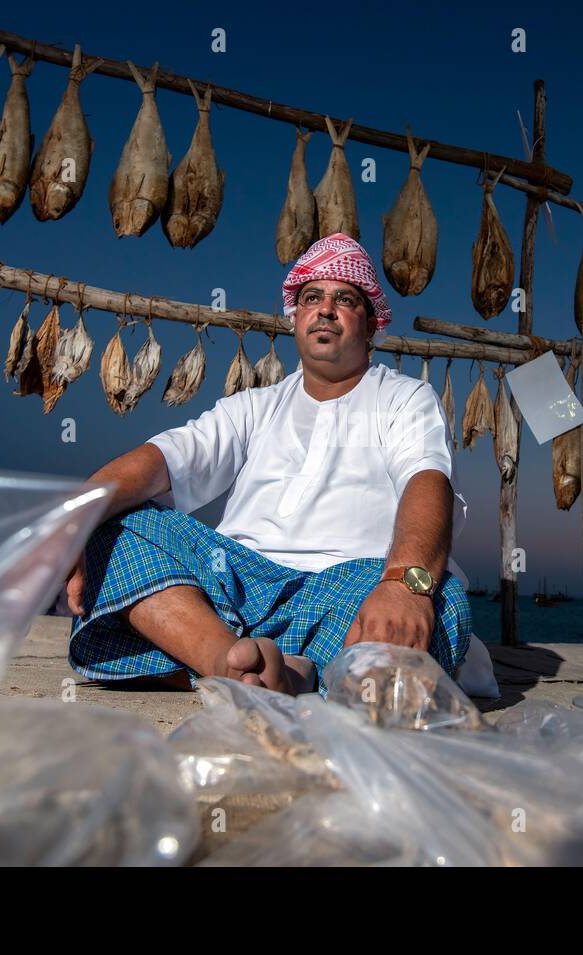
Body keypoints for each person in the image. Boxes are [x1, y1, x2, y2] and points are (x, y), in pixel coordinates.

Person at [65, 233, 470, 696]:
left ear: (372, 323)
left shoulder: (404, 397)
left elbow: (427, 480)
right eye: (311, 297)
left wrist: (402, 585)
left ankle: (272, 671)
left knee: (444, 604)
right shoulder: (254, 406)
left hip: (349, 592)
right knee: (109, 520)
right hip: (231, 587)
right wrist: (73, 518)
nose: (325, 308)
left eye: (345, 299)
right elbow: (163, 460)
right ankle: (226, 658)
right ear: (295, 317)